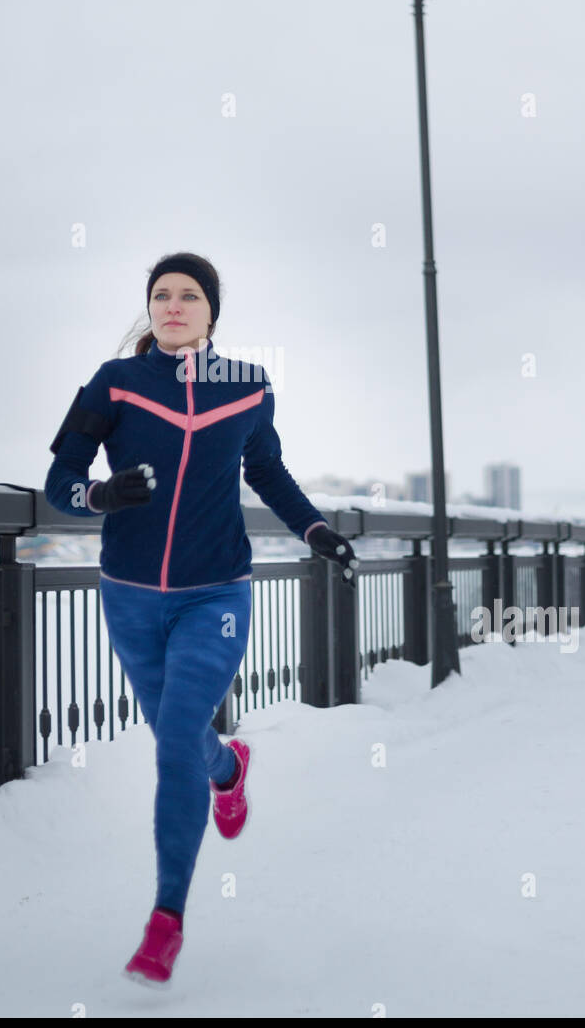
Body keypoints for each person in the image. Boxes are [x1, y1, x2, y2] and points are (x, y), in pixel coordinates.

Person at [44, 251, 358, 986]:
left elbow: (268, 471)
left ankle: (165, 921)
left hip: (214, 594)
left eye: (190, 296)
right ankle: (229, 767)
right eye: (162, 295)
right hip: (127, 596)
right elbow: (60, 480)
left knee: (175, 737)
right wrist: (100, 496)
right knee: (181, 739)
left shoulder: (248, 390)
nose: (174, 305)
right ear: (148, 309)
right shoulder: (113, 383)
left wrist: (316, 532)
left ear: (212, 312)